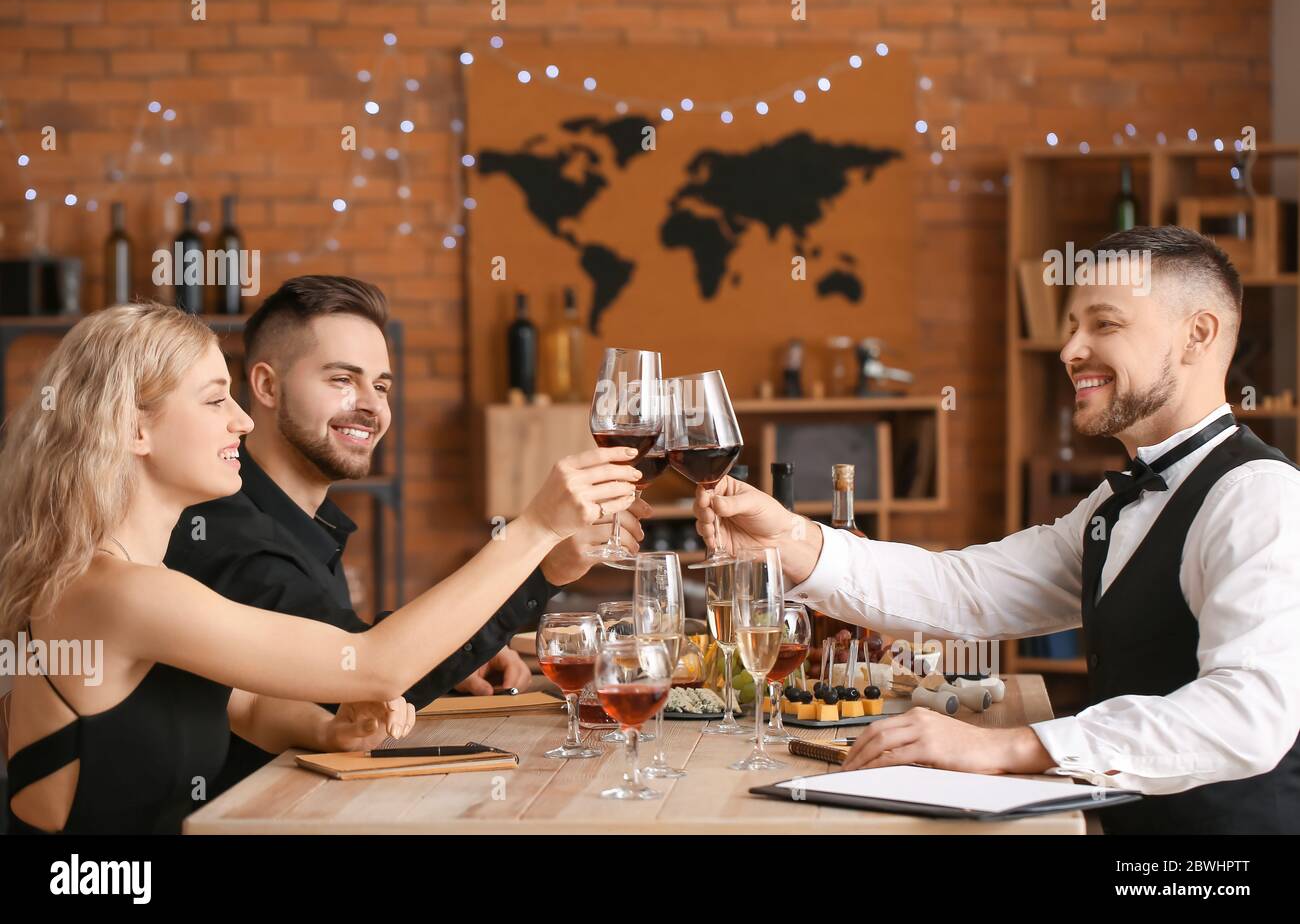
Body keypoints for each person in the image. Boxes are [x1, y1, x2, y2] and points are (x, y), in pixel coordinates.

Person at [695, 225, 1300, 834]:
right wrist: (790, 540)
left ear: (1198, 334)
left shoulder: (1258, 495)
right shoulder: (1113, 505)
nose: (1069, 351)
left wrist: (1008, 747)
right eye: (1071, 327)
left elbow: (1250, 712)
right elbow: (967, 589)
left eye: (1104, 324)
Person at [1, 302, 640, 833]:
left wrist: (331, 727)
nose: (244, 421)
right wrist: (537, 528)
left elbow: (242, 704)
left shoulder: (133, 576)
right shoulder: (118, 591)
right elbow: (373, 662)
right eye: (215, 400)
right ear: (134, 430)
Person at [163, 276, 649, 795]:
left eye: (382, 385)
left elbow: (346, 654)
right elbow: (359, 680)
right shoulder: (227, 533)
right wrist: (541, 546)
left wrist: (477, 635)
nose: (371, 405)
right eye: (342, 379)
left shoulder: (299, 522)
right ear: (265, 386)